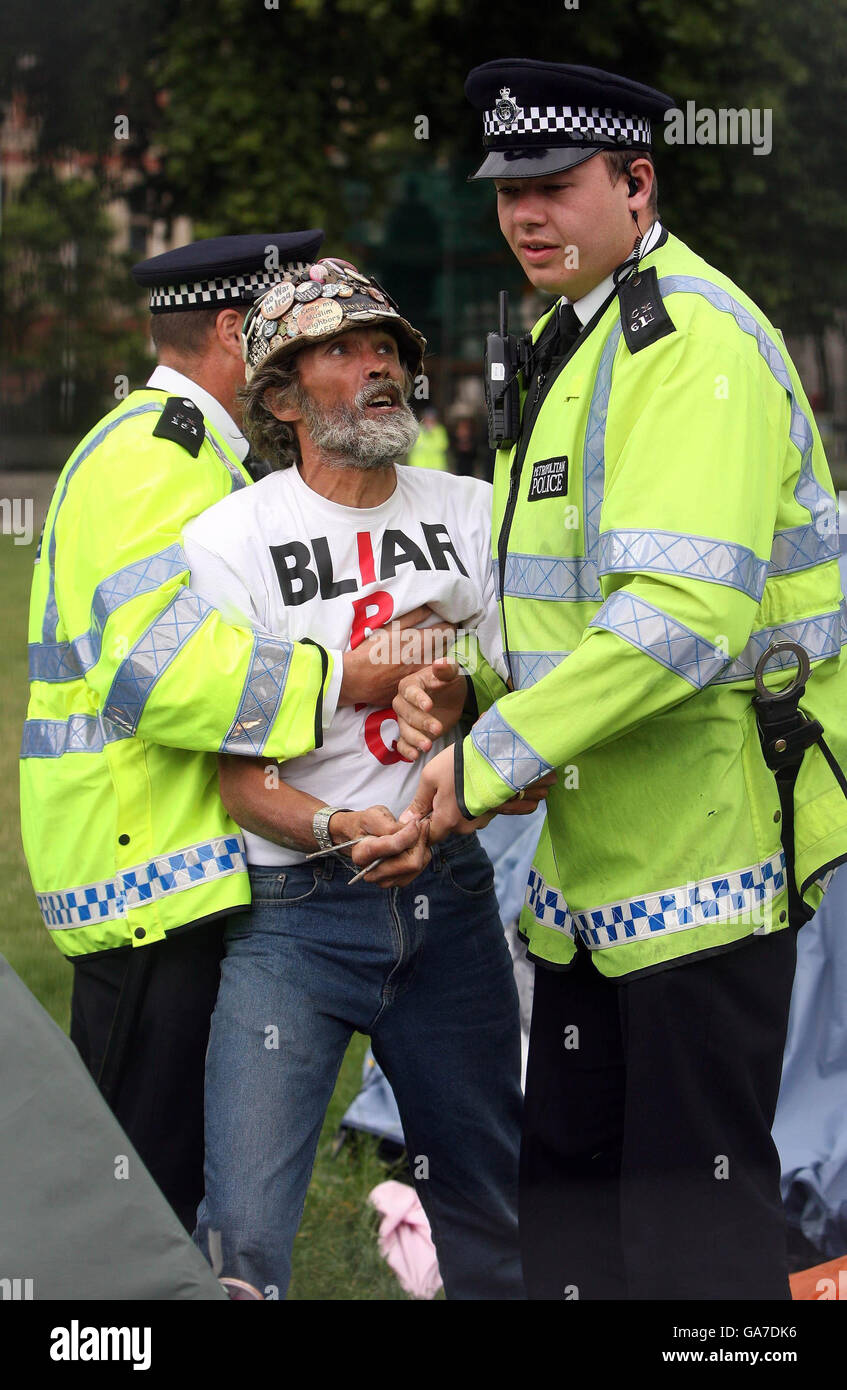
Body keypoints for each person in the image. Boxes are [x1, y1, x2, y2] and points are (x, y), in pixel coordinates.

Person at [393, 59, 847, 1300]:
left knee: (693, 1245)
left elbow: (683, 611)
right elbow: (570, 596)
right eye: (506, 191)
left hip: (704, 861)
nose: (524, 215)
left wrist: (490, 758)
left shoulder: (692, 340)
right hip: (595, 876)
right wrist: (471, 688)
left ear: (637, 184)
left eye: (554, 185)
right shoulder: (574, 337)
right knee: (577, 1214)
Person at [19, 232, 439, 1232]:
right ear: (226, 329)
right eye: (284, 324)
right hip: (150, 871)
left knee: (180, 1173)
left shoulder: (194, 451)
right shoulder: (152, 456)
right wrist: (347, 674)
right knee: (135, 1191)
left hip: (175, 861)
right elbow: (159, 670)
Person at [183, 256, 550, 1298]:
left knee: (492, 1204)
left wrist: (463, 711)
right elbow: (242, 782)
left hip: (452, 903)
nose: (377, 365)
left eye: (385, 345)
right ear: (284, 397)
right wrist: (345, 827)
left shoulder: (475, 513)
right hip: (294, 916)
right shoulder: (229, 542)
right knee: (244, 1230)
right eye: (341, 350)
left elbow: (527, 709)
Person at [405, 405, 450, 470]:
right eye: (427, 419)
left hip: (436, 467)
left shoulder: (440, 430)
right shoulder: (417, 430)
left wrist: (432, 433)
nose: (429, 422)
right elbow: (413, 445)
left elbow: (443, 445)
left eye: (431, 419)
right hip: (419, 466)